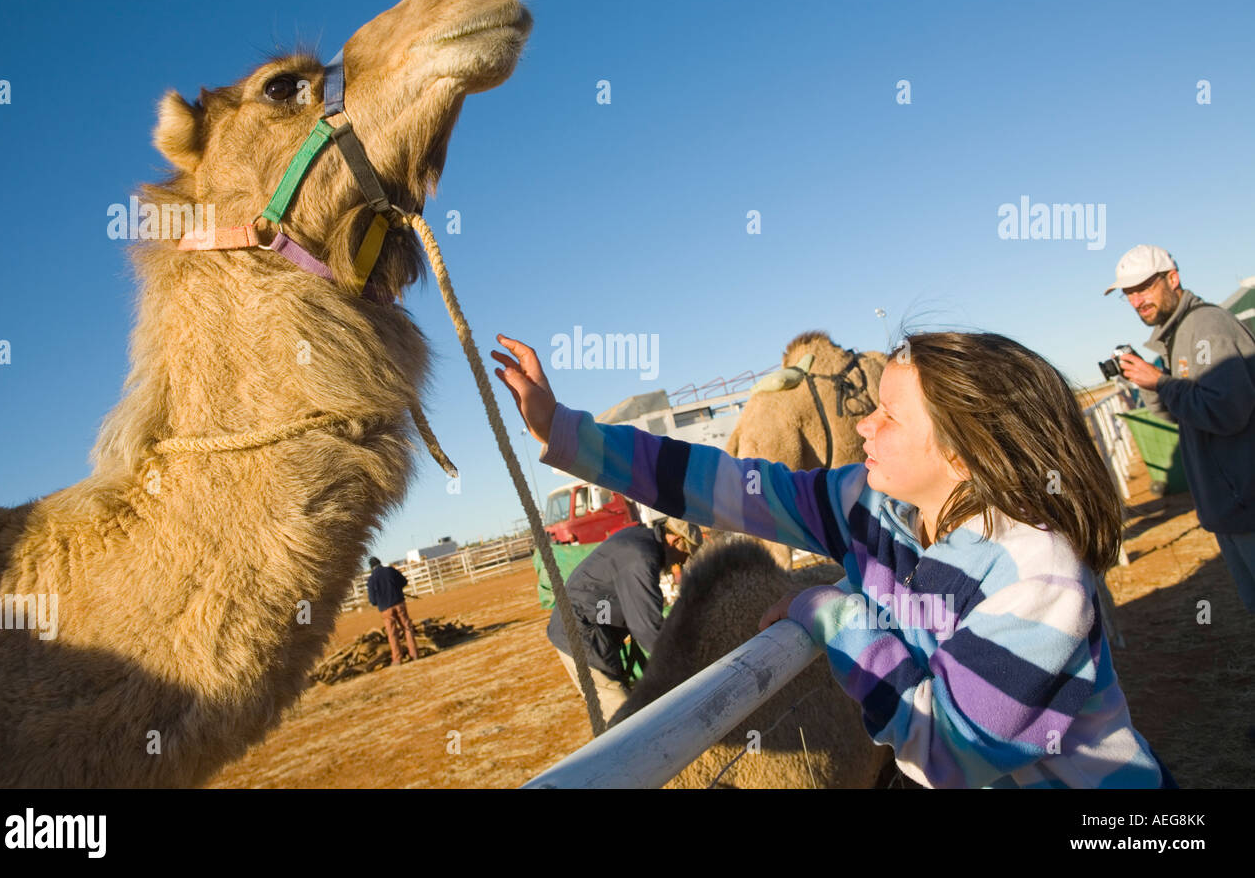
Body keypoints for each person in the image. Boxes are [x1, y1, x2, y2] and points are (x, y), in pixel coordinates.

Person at [493, 331, 1173, 788]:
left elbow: (950, 750)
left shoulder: (1036, 574)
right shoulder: (868, 509)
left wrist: (834, 614)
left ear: (963, 452)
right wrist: (567, 432)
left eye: (888, 417)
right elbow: (723, 486)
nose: (860, 427)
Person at [1105, 245, 1255, 613]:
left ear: (1173, 279)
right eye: (1129, 293)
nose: (1137, 300)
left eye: (1144, 287)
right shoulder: (1177, 335)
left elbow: (1227, 411)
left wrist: (1163, 383)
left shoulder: (1205, 327)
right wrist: (1149, 381)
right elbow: (1180, 416)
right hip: (1229, 510)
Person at [544, 518, 700, 722]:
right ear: (676, 540)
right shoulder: (642, 558)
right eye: (685, 554)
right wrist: (682, 668)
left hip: (590, 626)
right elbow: (646, 627)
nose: (683, 561)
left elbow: (614, 597)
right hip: (579, 633)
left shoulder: (638, 539)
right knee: (625, 719)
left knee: (628, 709)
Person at [366, 557, 419, 665]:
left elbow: (372, 600)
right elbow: (404, 582)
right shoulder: (390, 570)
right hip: (399, 603)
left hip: (385, 609)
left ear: (371, 567)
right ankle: (414, 654)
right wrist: (396, 589)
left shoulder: (372, 579)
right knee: (407, 628)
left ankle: (397, 659)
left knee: (392, 633)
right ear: (380, 562)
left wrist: (379, 601)